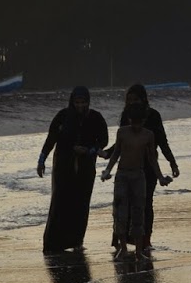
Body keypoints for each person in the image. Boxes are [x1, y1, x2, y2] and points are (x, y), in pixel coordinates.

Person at [37, 87, 109, 253]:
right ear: (72, 102)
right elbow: (51, 139)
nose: (80, 105)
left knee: (81, 203)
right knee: (60, 201)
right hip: (63, 165)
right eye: (77, 102)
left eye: (83, 102)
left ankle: (76, 241)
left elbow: (103, 139)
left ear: (88, 102)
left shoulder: (95, 118)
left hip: (86, 166)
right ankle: (52, 243)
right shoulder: (63, 116)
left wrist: (91, 150)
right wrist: (42, 159)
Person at [100, 100, 171, 260]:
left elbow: (152, 158)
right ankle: (123, 248)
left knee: (139, 212)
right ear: (129, 119)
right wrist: (107, 171)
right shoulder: (122, 132)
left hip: (139, 176)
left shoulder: (148, 135)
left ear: (144, 121)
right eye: (133, 122)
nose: (136, 126)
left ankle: (139, 251)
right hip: (122, 176)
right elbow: (116, 153)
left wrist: (160, 177)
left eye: (139, 122)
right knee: (120, 213)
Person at [124, 84, 180, 249]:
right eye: (129, 100)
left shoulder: (153, 116)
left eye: (136, 99)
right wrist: (107, 154)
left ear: (144, 100)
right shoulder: (125, 115)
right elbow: (121, 141)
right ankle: (126, 241)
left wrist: (172, 162)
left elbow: (162, 141)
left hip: (149, 166)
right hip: (129, 165)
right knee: (127, 203)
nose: (132, 103)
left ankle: (146, 239)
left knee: (146, 203)